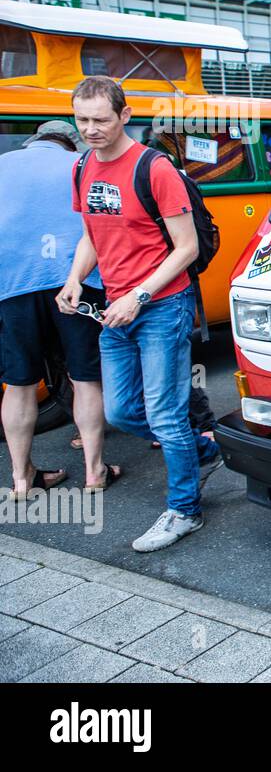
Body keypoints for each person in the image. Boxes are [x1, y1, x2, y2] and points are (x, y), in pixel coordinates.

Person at [56, 76, 220, 553]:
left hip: (161, 306)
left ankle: (185, 510)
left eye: (100, 120)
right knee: (122, 410)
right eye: (82, 120)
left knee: (166, 416)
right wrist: (74, 278)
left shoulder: (156, 168)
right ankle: (202, 449)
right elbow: (93, 233)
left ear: (125, 116)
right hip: (114, 308)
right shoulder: (82, 166)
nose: (90, 129)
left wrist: (139, 296)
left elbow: (187, 248)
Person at [1, 121, 114, 498]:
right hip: (76, 282)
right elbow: (101, 227)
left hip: (12, 285)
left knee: (18, 384)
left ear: (34, 142)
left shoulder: (5, 163)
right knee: (85, 378)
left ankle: (21, 478)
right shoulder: (84, 164)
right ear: (71, 141)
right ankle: (95, 472)